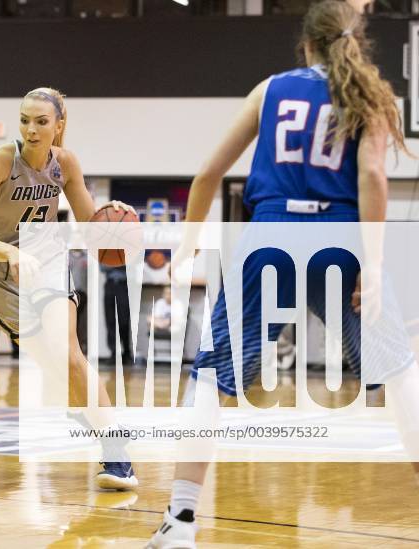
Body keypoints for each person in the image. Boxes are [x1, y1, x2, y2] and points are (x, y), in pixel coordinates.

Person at [146, 2, 419, 546]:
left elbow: (207, 174)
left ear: (307, 43)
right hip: (341, 238)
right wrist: (373, 262)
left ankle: (180, 521)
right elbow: (371, 176)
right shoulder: (370, 92)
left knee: (209, 378)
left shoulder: (270, 89)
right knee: (402, 375)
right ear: (353, 41)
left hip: (270, 236)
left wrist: (187, 248)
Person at [0, 87, 139, 490]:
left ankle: (116, 454)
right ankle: (85, 410)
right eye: (25, 120)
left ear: (58, 125)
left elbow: (90, 222)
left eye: (41, 121)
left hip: (46, 256)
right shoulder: (1, 160)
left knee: (70, 353)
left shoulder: (66, 164)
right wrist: (9, 253)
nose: (31, 128)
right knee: (57, 369)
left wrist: (116, 220)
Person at [102, 264, 132, 365]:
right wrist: (120, 264)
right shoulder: (106, 250)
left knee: (124, 321)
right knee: (110, 320)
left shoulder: (127, 250)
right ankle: (114, 352)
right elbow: (103, 267)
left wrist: (114, 265)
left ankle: (126, 352)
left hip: (124, 285)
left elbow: (130, 265)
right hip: (109, 285)